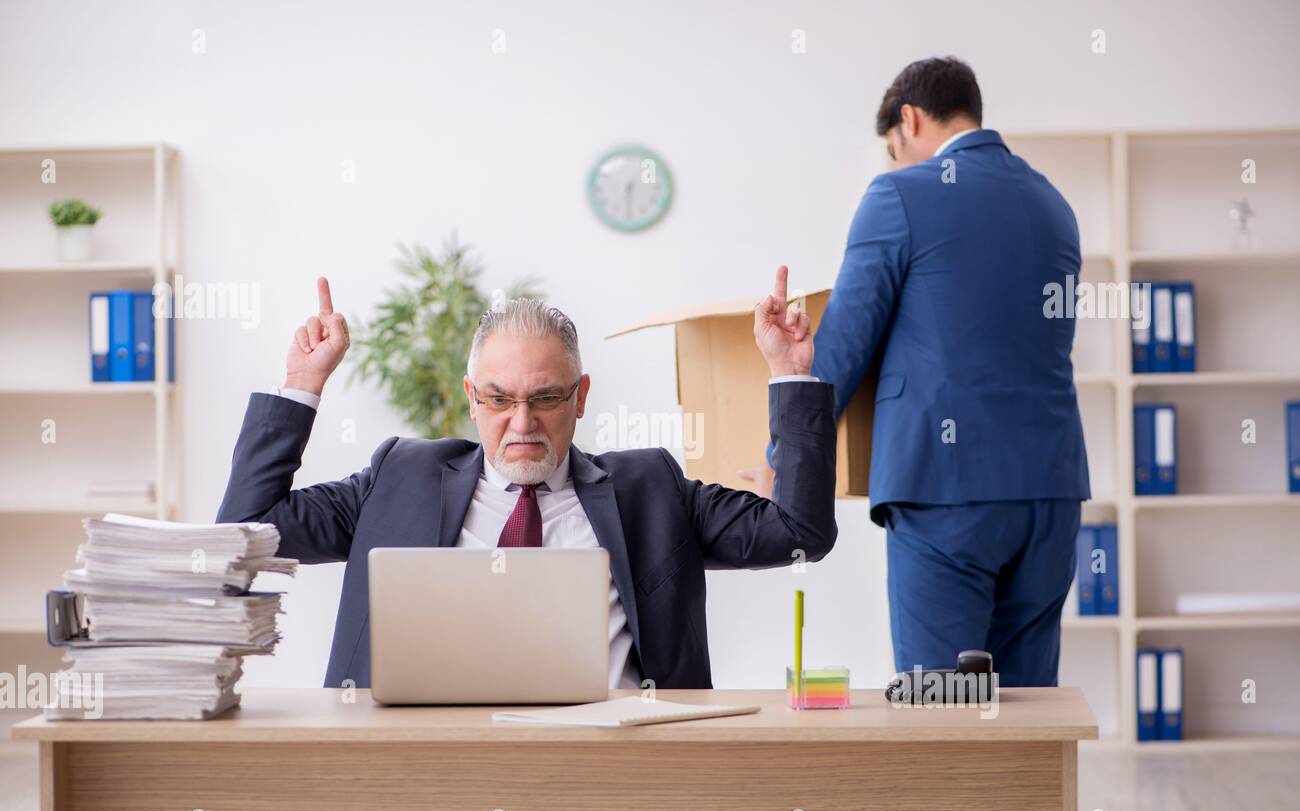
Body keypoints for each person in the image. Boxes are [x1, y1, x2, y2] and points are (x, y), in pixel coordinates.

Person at [217, 269, 838, 689]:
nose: (522, 423)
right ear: (470, 398)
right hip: (426, 766)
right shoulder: (400, 476)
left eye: (545, 397)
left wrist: (788, 373)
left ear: (580, 397)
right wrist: (302, 386)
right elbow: (248, 530)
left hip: (615, 770)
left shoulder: (649, 487)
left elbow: (798, 532)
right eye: (499, 399)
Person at [754, 57, 1089, 687]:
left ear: (908, 119)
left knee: (943, 707)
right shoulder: (1053, 204)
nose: (895, 164)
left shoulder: (900, 194)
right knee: (1029, 712)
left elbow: (844, 347)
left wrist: (783, 455)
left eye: (892, 150)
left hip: (945, 490)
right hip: (1051, 492)